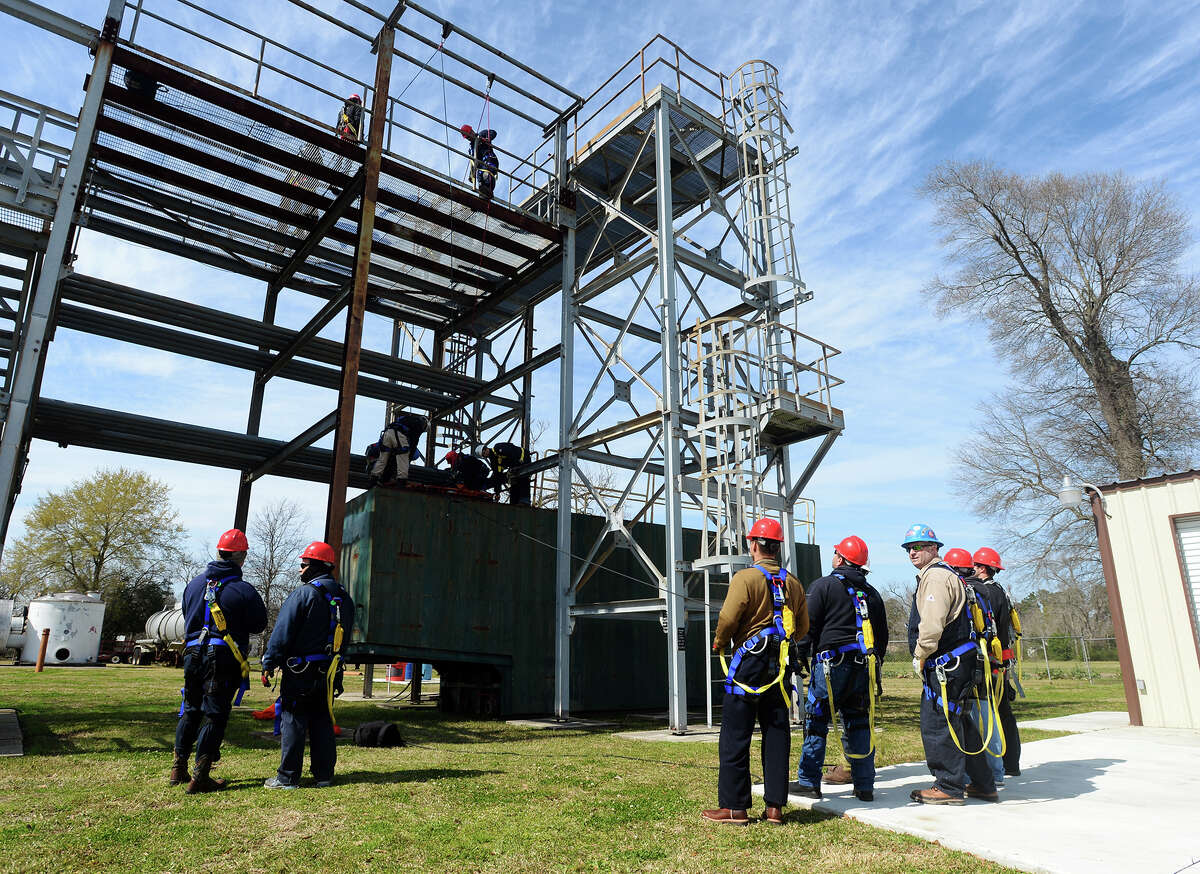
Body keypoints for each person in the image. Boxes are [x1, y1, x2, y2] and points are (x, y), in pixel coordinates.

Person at [702, 518, 809, 826]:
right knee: (776, 731)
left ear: (753, 545)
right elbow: (802, 627)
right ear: (777, 548)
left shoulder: (745, 579)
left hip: (749, 664)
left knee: (736, 734)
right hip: (780, 665)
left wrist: (720, 641)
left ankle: (735, 808)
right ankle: (774, 807)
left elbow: (728, 617)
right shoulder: (794, 583)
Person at [903, 524, 998, 805]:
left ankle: (948, 786)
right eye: (909, 547)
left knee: (938, 724)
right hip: (959, 662)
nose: (912, 552)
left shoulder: (935, 578)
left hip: (945, 663)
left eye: (918, 546)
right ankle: (982, 783)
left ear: (934, 548)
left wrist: (920, 655)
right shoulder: (948, 575)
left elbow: (931, 625)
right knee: (960, 721)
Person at [790, 535, 887, 803]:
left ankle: (809, 782)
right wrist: (876, 667)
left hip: (831, 666)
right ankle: (864, 785)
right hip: (863, 666)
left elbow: (807, 626)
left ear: (840, 558)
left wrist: (798, 656)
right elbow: (882, 636)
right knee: (858, 723)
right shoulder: (872, 594)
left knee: (816, 722)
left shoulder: (823, 586)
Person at [172, 528, 267, 793]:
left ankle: (178, 768)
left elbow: (187, 614)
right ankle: (200, 776)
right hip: (222, 657)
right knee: (214, 715)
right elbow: (259, 624)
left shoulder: (192, 585)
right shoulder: (242, 589)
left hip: (192, 653)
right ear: (242, 557)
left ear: (218, 552)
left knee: (190, 709)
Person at [261, 541, 355, 789]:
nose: (300, 570)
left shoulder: (304, 594)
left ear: (315, 566)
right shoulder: (344, 598)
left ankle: (287, 777)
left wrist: (269, 662)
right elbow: (344, 639)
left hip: (300, 672)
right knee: (322, 720)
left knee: (293, 719)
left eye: (304, 565)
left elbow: (282, 632)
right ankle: (324, 775)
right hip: (328, 672)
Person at [944, 547, 1005, 786]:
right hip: (988, 660)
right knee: (988, 716)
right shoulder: (987, 592)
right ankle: (996, 772)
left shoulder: (964, 591)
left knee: (972, 719)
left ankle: (978, 774)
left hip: (970, 661)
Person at [973, 547, 1022, 779]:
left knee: (994, 712)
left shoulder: (987, 593)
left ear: (982, 568)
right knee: (1003, 711)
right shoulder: (999, 591)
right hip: (1001, 658)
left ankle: (1001, 764)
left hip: (992, 661)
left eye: (973, 566)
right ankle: (1010, 762)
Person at [367, 412, 426, 487]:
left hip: (387, 433)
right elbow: (414, 443)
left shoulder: (405, 419)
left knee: (383, 458)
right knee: (403, 457)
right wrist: (409, 457)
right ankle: (402, 481)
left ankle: (373, 479)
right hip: (398, 434)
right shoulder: (418, 425)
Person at [460, 124, 499, 201]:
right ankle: (482, 198)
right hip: (481, 166)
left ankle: (488, 192)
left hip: (489, 159)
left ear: (471, 131)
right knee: (480, 179)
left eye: (468, 136)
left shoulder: (481, 134)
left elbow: (493, 132)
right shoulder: (472, 148)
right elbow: (473, 162)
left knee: (486, 175)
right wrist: (471, 175)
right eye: (467, 138)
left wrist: (487, 139)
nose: (468, 138)